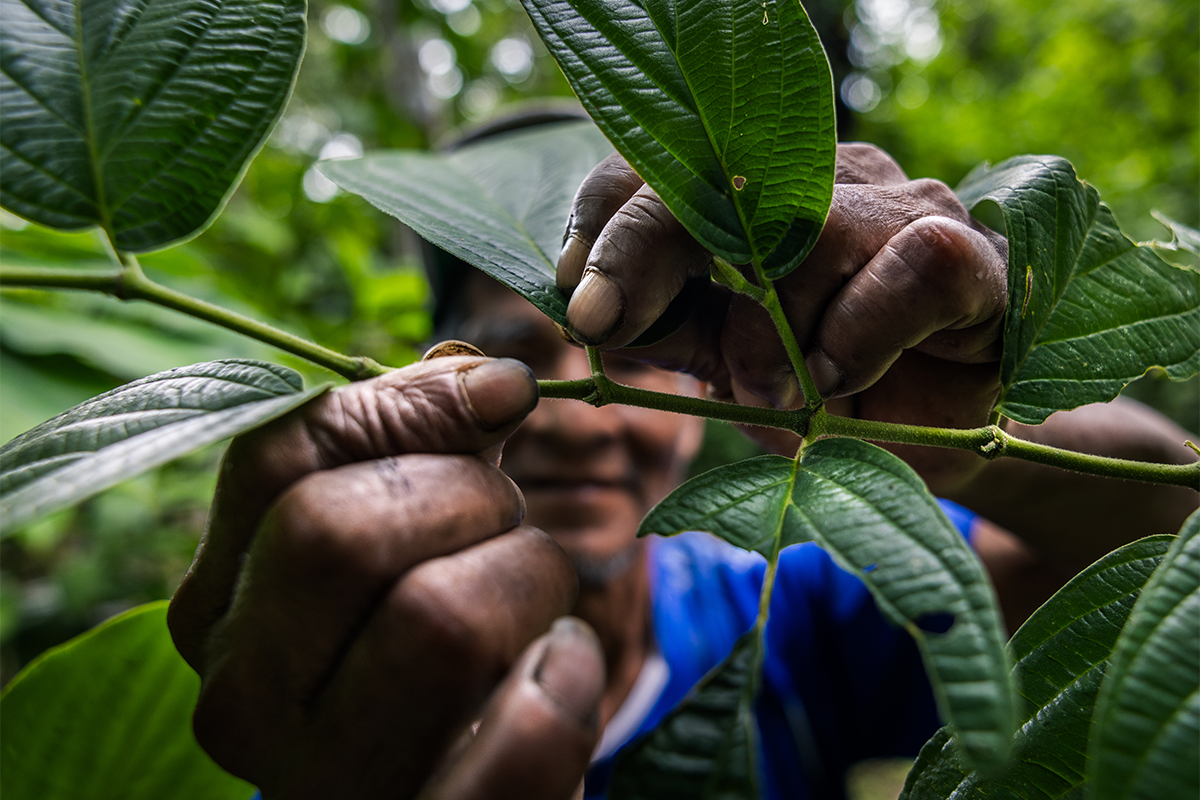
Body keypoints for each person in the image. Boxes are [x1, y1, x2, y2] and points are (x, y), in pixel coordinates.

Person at [167, 135, 1198, 800]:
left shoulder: (786, 591)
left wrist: (971, 428)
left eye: (633, 355)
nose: (582, 420)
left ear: (712, 386)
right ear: (439, 368)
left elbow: (1161, 558)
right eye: (516, 353)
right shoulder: (349, 692)